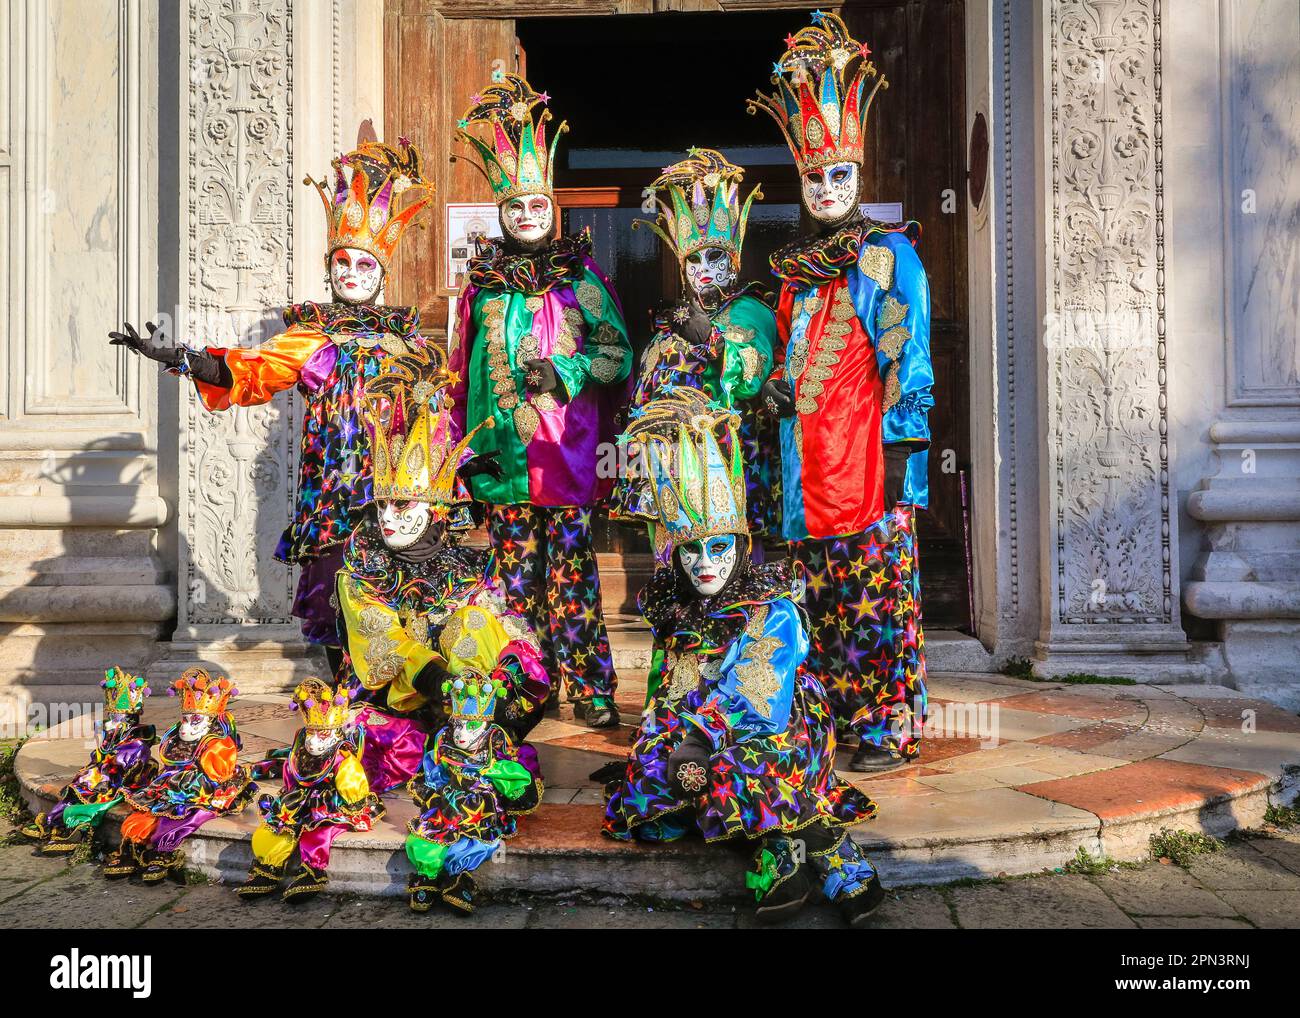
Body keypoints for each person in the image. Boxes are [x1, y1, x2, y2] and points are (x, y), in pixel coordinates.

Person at [108, 139, 435, 672]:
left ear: (382, 273)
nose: (351, 274)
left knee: (399, 599)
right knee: (338, 597)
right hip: (335, 494)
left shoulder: (411, 346)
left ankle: (390, 704)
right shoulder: (310, 339)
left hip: (398, 493)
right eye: (342, 263)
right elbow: (248, 371)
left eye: (363, 265)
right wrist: (186, 358)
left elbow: (435, 419)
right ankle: (343, 705)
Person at [602, 389, 883, 927]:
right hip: (695, 731)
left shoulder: (771, 609)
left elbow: (761, 695)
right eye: (691, 550)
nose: (705, 564)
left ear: (740, 545)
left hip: (774, 725)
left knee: (748, 764)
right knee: (651, 778)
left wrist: (697, 740)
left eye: (718, 548)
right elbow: (668, 692)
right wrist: (665, 739)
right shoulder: (678, 610)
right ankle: (781, 844)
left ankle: (816, 847)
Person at [748, 11, 932, 770]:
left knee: (876, 608)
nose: (826, 189)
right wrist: (775, 395)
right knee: (820, 610)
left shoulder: (886, 257)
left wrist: (898, 456)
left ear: (859, 177)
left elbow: (904, 356)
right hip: (804, 473)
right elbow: (795, 360)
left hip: (865, 470)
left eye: (840, 177)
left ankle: (888, 727)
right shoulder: (794, 274)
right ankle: (831, 721)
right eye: (815, 177)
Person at [448, 72, 632, 729]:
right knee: (513, 587)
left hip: (567, 459)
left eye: (537, 207)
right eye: (515, 209)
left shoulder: (582, 279)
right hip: (502, 465)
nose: (528, 218)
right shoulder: (482, 292)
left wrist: (567, 373)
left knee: (573, 584)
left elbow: (619, 354)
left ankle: (592, 689)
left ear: (553, 208)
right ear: (501, 214)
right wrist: (459, 458)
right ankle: (526, 689)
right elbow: (459, 376)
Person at [336, 347, 548, 793]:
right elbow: (381, 643)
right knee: (357, 739)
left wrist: (492, 685)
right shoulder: (361, 571)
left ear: (435, 511)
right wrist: (438, 679)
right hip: (394, 701)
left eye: (403, 505)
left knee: (476, 620)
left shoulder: (464, 568)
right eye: (382, 506)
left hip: (462, 705)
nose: (388, 519)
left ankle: (470, 736)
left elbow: (497, 629)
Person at [611, 147, 777, 557]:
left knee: (728, 571)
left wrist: (711, 339)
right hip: (669, 475)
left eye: (715, 257)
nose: (704, 269)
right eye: (694, 260)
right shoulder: (668, 330)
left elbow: (753, 367)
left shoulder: (749, 310)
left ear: (734, 261)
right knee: (675, 572)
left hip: (723, 472)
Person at [404, 630, 544, 916]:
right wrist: (432, 789)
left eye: (472, 727)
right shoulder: (445, 742)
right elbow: (435, 773)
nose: (463, 735)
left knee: (475, 839)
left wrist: (503, 779)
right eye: (459, 726)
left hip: (480, 806)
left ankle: (458, 876)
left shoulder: (495, 745)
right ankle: (427, 875)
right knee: (428, 834)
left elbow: (513, 779)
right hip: (447, 803)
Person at [236, 678, 384, 902]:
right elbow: (291, 779)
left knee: (319, 831)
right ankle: (268, 867)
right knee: (277, 826)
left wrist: (349, 802)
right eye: (311, 733)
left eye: (321, 735)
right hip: (298, 800)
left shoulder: (343, 760)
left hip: (330, 803)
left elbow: (353, 789)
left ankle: (311, 872)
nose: (313, 742)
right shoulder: (299, 755)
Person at [105, 667, 254, 883]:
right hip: (170, 783)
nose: (185, 727)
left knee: (180, 814)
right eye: (185, 719)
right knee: (145, 812)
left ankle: (161, 852)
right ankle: (132, 847)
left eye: (195, 720)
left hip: (202, 786)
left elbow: (218, 772)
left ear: (210, 721)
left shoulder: (218, 743)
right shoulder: (176, 738)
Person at [21, 667, 157, 856]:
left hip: (119, 781)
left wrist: (105, 766)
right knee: (77, 788)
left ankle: (74, 826)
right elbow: (99, 759)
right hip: (101, 777)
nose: (111, 721)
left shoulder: (137, 743)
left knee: (93, 794)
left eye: (117, 717)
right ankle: (55, 822)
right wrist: (100, 744)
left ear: (130, 719)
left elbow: (125, 768)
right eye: (111, 715)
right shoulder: (110, 733)